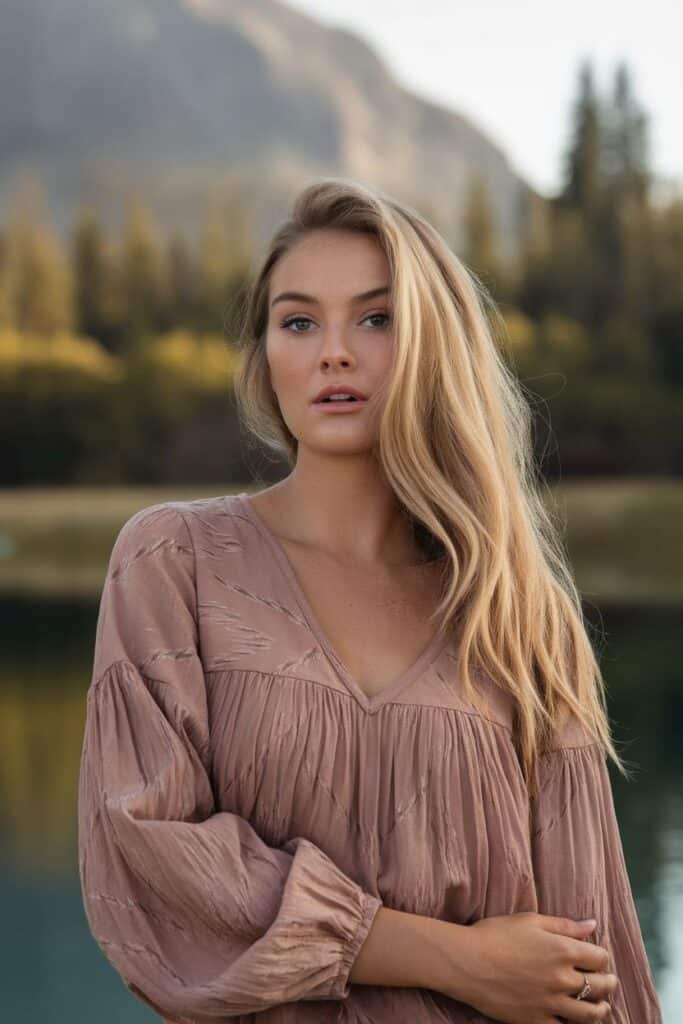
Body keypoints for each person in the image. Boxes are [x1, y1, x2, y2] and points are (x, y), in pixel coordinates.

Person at [77, 178, 663, 1023]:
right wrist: (453, 959)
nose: (334, 352)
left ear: (435, 346)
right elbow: (151, 859)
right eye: (298, 321)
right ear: (265, 355)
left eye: (377, 318)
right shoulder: (173, 560)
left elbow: (585, 963)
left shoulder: (519, 615)